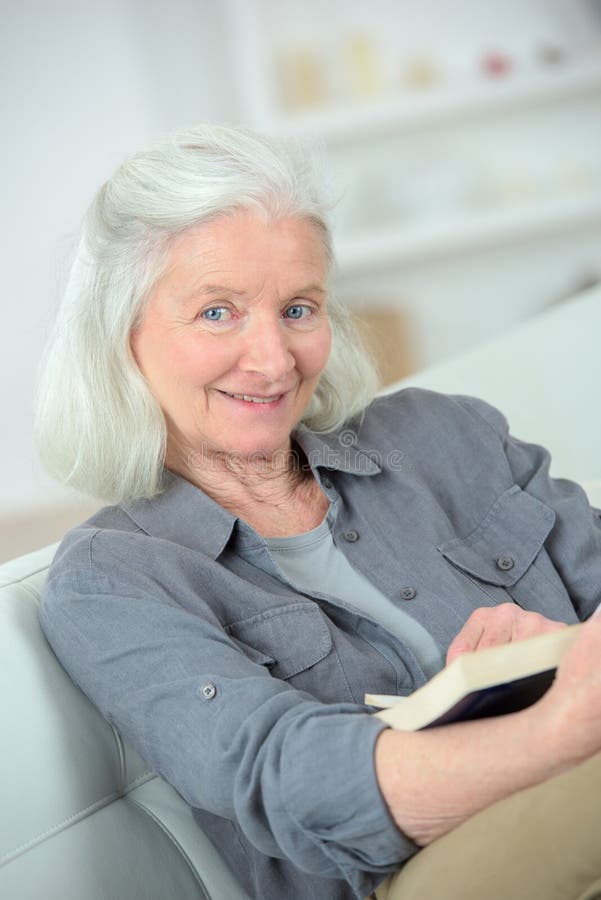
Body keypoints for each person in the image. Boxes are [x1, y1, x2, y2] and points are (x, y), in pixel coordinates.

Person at [36, 124, 601, 900]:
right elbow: (285, 776)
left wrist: (559, 655)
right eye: (217, 313)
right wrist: (557, 727)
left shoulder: (447, 434)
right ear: (122, 339)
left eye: (298, 309)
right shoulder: (113, 578)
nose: (272, 359)